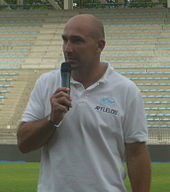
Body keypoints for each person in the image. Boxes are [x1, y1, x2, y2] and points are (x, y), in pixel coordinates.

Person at [17, 14, 151, 192]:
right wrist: (52, 119)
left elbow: (136, 153)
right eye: (65, 40)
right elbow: (24, 143)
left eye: (77, 41)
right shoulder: (46, 83)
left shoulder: (126, 90)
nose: (68, 48)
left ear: (100, 46)